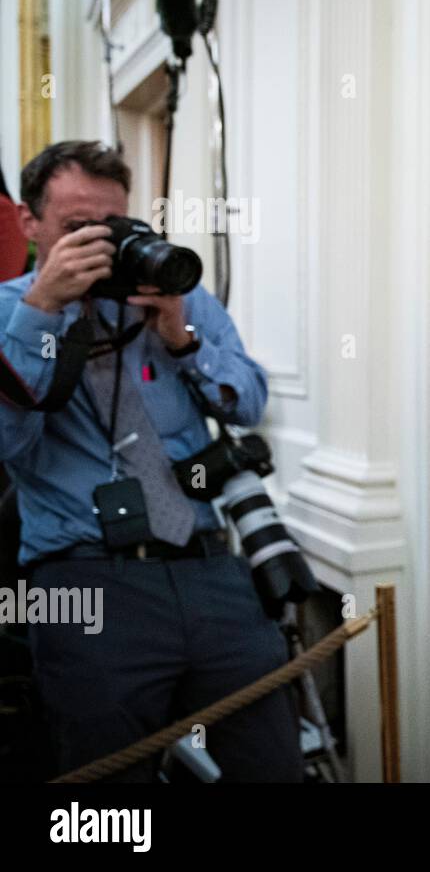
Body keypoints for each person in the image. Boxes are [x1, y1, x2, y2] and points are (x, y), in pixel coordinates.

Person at [0, 140, 302, 781]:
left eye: (113, 227)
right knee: (106, 794)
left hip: (209, 567)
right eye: (75, 229)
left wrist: (182, 338)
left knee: (272, 764)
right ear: (30, 225)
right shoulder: (9, 314)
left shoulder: (175, 295)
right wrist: (41, 311)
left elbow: (249, 400)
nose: (100, 246)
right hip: (83, 582)